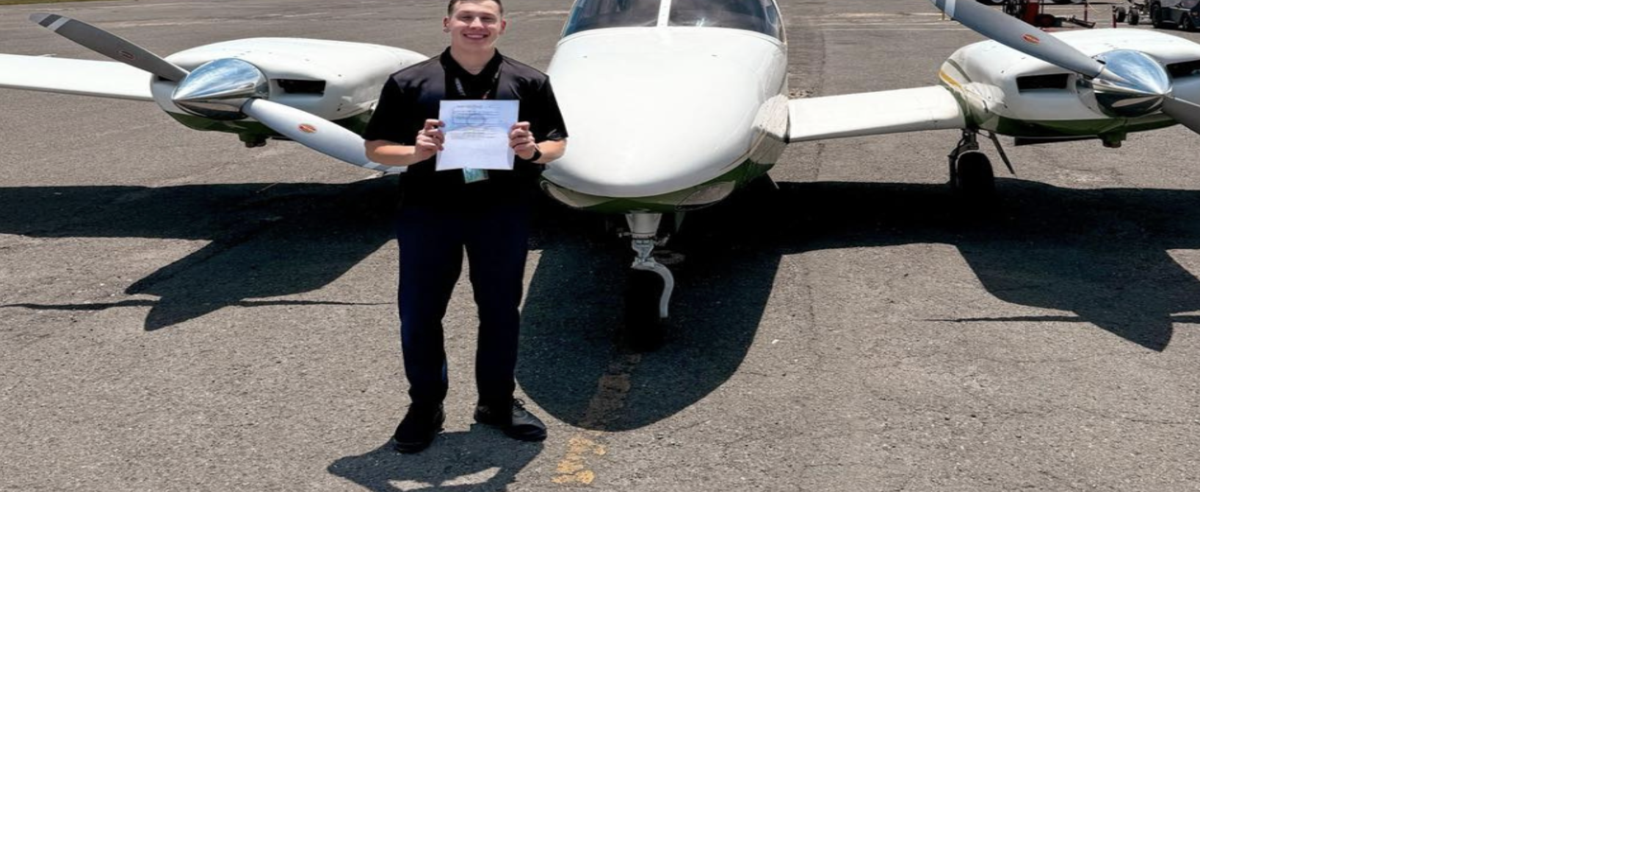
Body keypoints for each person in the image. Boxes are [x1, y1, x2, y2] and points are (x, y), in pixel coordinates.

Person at [363, 0, 569, 454]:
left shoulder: (529, 81)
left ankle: (496, 402)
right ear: (448, 23)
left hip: (500, 211)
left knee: (499, 311)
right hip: (428, 212)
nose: (476, 26)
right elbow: (376, 147)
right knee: (419, 313)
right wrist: (414, 153)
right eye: (466, 17)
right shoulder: (409, 82)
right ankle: (425, 405)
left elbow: (558, 142)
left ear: (501, 26)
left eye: (487, 18)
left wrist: (533, 152)